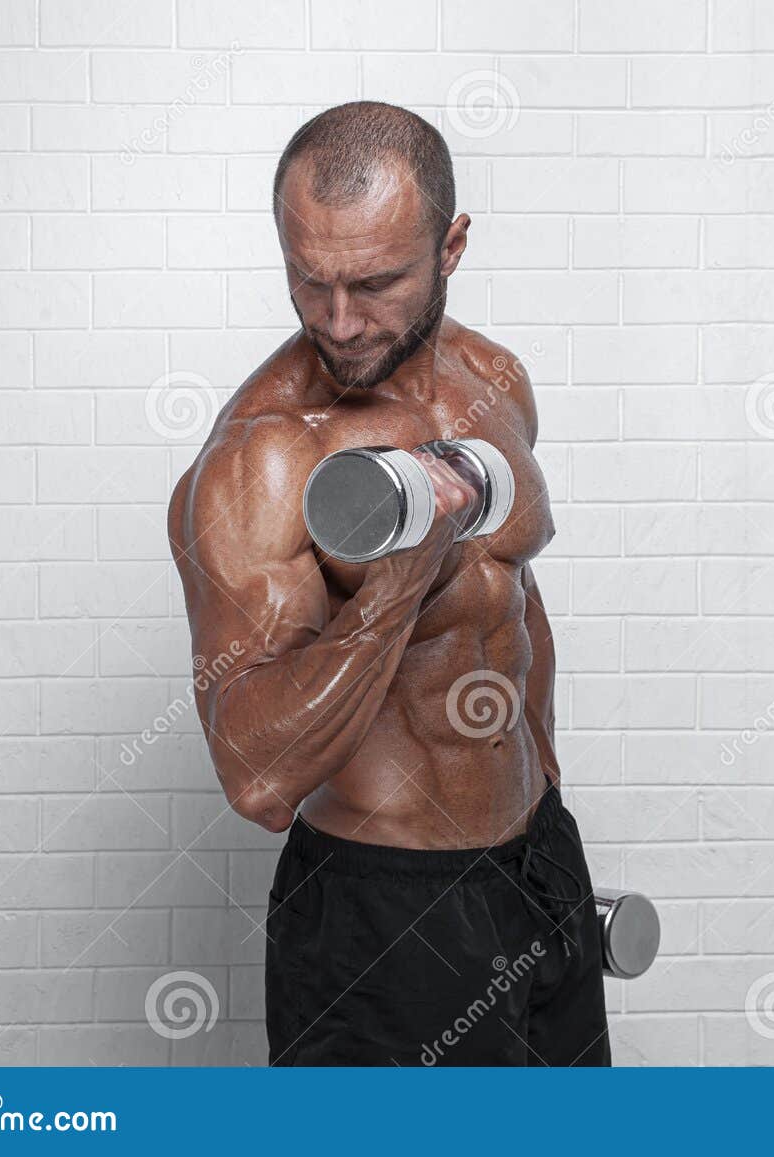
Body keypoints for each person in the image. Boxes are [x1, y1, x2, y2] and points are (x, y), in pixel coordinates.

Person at [167, 101, 610, 1066]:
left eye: (375, 283)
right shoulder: (265, 459)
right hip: (381, 914)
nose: (339, 321)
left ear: (450, 248)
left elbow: (514, 602)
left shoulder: (492, 381)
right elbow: (256, 777)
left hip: (535, 865)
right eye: (308, 280)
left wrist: (546, 805)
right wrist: (398, 587)